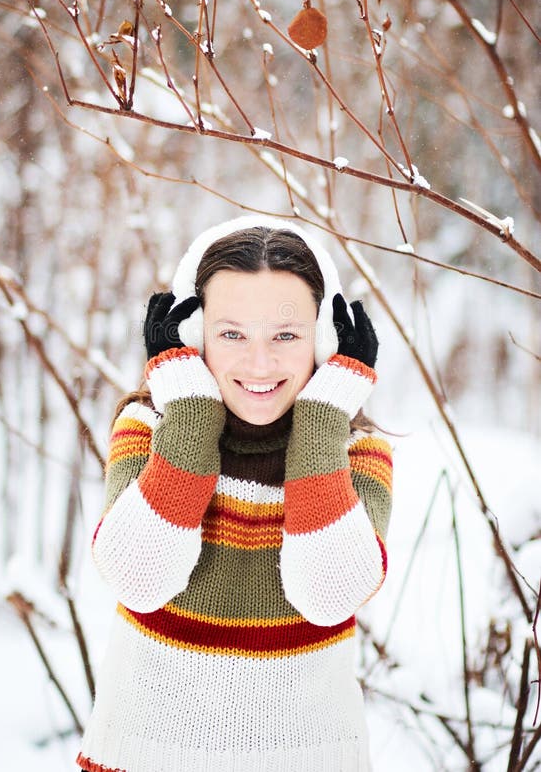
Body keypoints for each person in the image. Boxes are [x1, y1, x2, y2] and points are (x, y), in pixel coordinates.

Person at [76, 214, 393, 772]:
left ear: (324, 340)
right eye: (231, 333)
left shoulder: (354, 455)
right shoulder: (149, 430)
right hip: (143, 756)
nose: (260, 362)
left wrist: (320, 424)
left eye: (286, 335)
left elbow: (328, 595)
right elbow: (139, 579)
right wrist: (193, 418)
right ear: (192, 335)